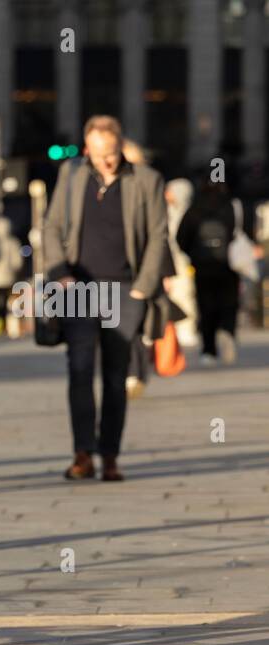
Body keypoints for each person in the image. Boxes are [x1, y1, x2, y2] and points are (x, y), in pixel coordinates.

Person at [42, 115, 168, 482]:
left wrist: (143, 287)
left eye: (111, 153)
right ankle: (83, 453)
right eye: (98, 155)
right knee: (79, 371)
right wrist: (58, 272)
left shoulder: (146, 180)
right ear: (87, 150)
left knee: (116, 376)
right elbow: (51, 226)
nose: (106, 161)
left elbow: (159, 235)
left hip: (125, 288)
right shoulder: (72, 174)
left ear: (121, 146)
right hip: (76, 287)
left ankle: (109, 454)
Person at [176, 180, 241, 366]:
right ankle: (227, 330)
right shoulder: (231, 207)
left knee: (206, 307)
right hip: (228, 266)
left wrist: (193, 255)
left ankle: (208, 350)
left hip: (202, 266)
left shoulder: (195, 209)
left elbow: (181, 237)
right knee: (229, 304)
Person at [163, 178, 201, 349]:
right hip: (167, 261)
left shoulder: (190, 214)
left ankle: (186, 330)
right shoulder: (166, 212)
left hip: (183, 263)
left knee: (185, 296)